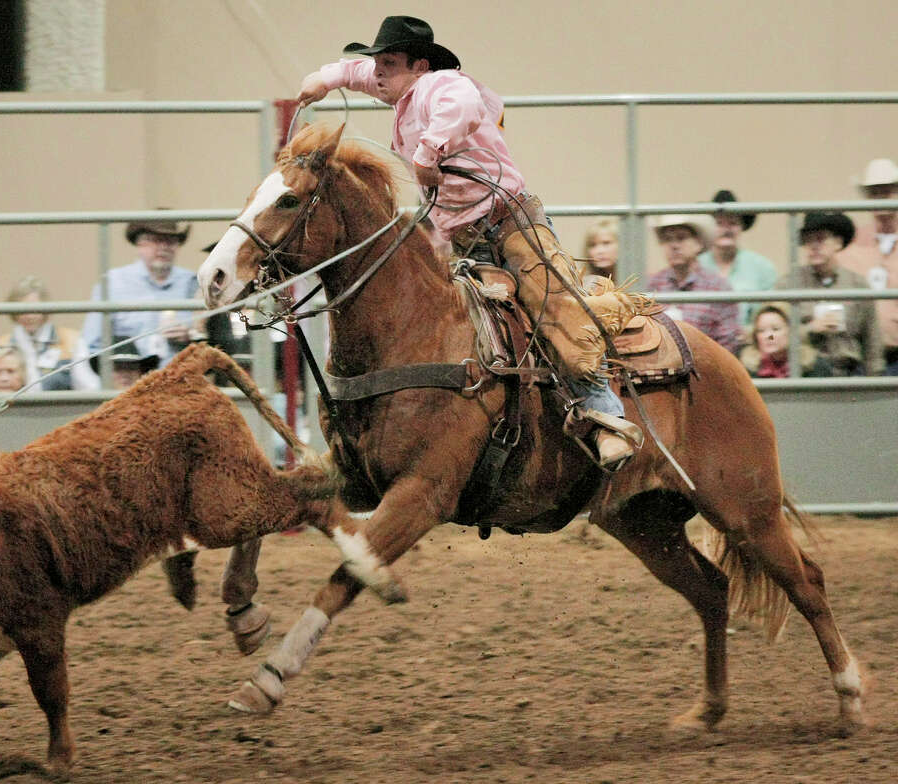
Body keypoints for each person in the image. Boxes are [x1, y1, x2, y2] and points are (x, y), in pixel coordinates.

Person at [296, 15, 646, 471]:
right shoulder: (403, 84)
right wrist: (322, 80)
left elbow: (461, 106)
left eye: (389, 62)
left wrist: (428, 151)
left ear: (419, 66)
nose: (378, 72)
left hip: (511, 225)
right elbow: (354, 72)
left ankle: (609, 419)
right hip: (458, 239)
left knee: (554, 307)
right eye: (377, 62)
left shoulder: (441, 86)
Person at [80, 216, 203, 370]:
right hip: (130, 380)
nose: (163, 247)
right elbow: (93, 343)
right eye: (156, 240)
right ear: (139, 244)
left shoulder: (194, 282)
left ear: (178, 246)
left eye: (171, 241)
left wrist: (189, 337)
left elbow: (208, 338)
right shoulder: (112, 282)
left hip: (181, 379)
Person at [776, 212, 882, 376]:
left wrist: (875, 379)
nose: (813, 246)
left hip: (850, 373)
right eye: (808, 240)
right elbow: (769, 336)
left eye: (820, 238)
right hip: (806, 373)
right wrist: (811, 329)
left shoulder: (857, 285)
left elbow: (872, 338)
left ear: (838, 243)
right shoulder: (788, 284)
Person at [837, 158, 898, 374]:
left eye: (887, 191)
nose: (881, 197)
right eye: (875, 192)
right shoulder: (852, 245)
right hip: (861, 357)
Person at [646, 214, 740, 354]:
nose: (674, 246)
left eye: (681, 238)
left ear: (698, 244)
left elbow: (728, 342)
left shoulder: (718, 287)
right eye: (667, 239)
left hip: (706, 366)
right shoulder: (652, 284)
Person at [0, 275, 100, 391]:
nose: (29, 315)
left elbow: (87, 386)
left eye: (34, 308)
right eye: (21, 309)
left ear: (46, 307)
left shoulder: (71, 340)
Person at [698, 189, 778, 327]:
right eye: (719, 223)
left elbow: (771, 315)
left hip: (750, 343)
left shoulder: (763, 268)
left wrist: (751, 333)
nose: (726, 229)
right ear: (709, 228)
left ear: (741, 227)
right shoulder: (696, 265)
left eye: (733, 223)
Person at [737, 303, 831, 379]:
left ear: (791, 331)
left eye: (775, 329)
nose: (769, 337)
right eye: (761, 330)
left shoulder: (816, 366)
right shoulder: (745, 369)